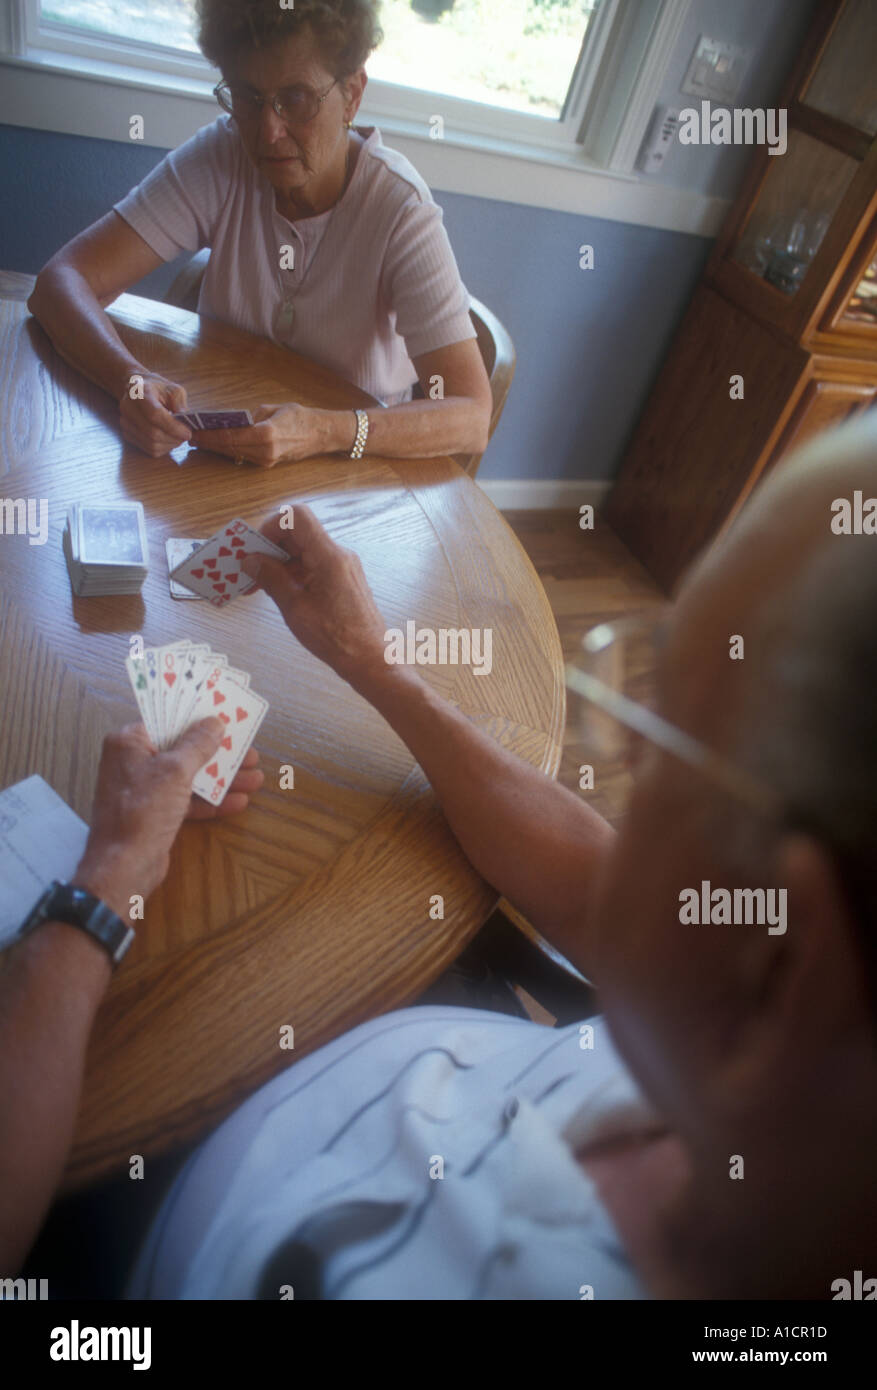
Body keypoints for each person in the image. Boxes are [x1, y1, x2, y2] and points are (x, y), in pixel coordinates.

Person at [2, 410, 877, 1298]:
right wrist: (372, 663)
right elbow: (589, 885)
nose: (619, 777)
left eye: (661, 737)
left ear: (790, 966)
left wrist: (103, 881)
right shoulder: (765, 1065)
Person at [25, 0, 492, 469]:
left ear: (352, 94)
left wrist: (324, 430)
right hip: (224, 462)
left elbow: (471, 416)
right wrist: (130, 380)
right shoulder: (222, 156)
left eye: (296, 99)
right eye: (248, 96)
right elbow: (61, 281)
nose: (268, 132)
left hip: (357, 473)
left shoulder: (400, 210)